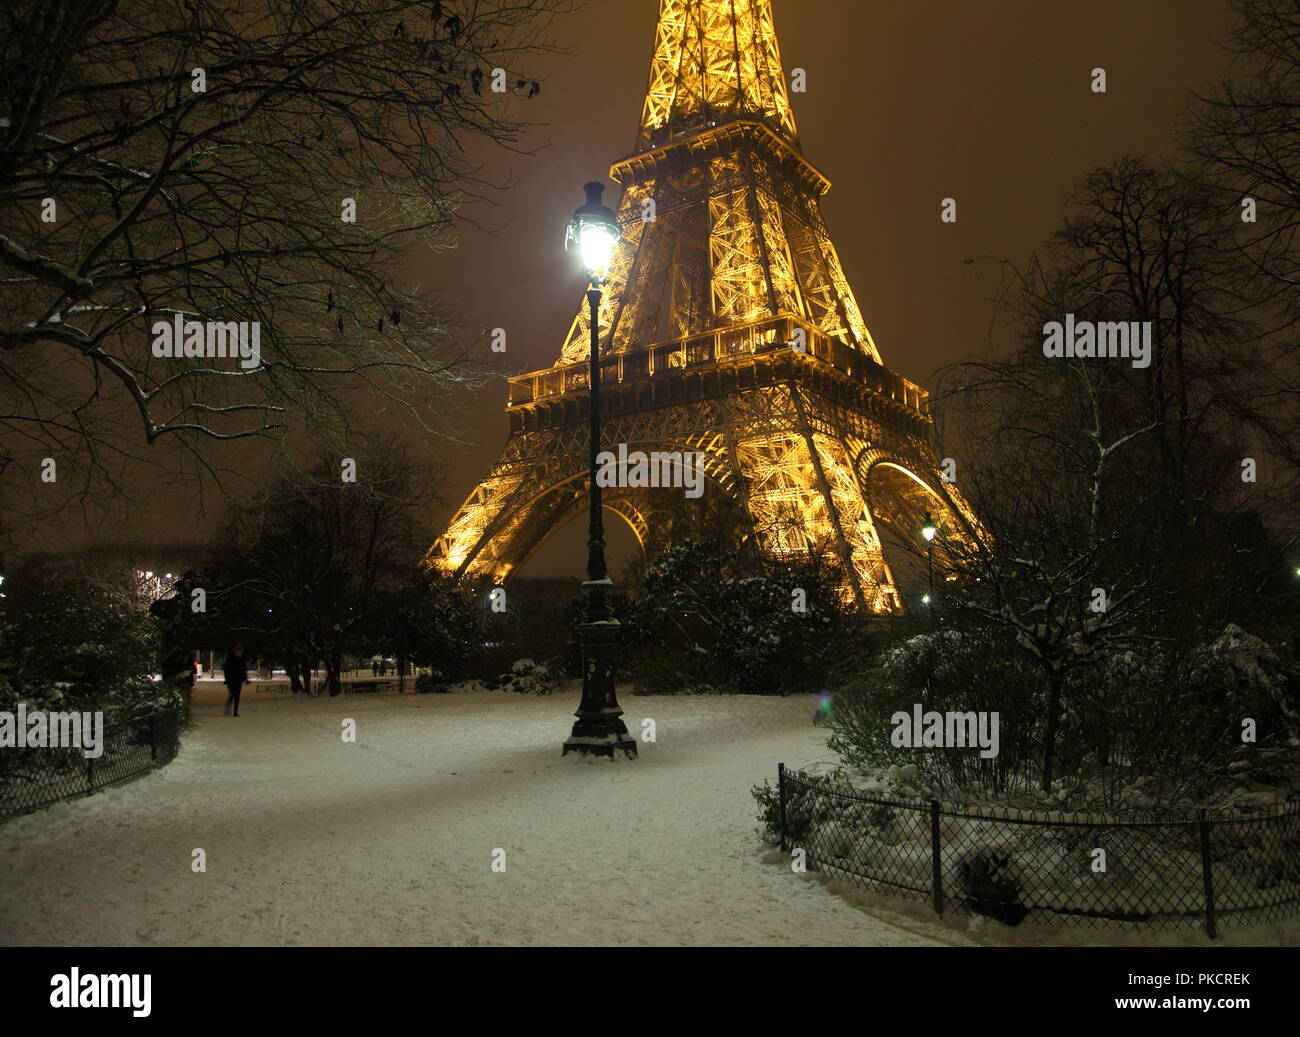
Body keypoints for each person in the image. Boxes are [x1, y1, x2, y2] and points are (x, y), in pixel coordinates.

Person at [223, 644, 250, 717]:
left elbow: (244, 670)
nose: (239, 653)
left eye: (240, 652)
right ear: (234, 652)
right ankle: (229, 704)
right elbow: (226, 670)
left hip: (239, 680)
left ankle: (235, 712)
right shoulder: (230, 659)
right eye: (237, 652)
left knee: (237, 696)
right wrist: (226, 679)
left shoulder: (242, 660)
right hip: (231, 680)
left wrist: (246, 679)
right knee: (233, 694)